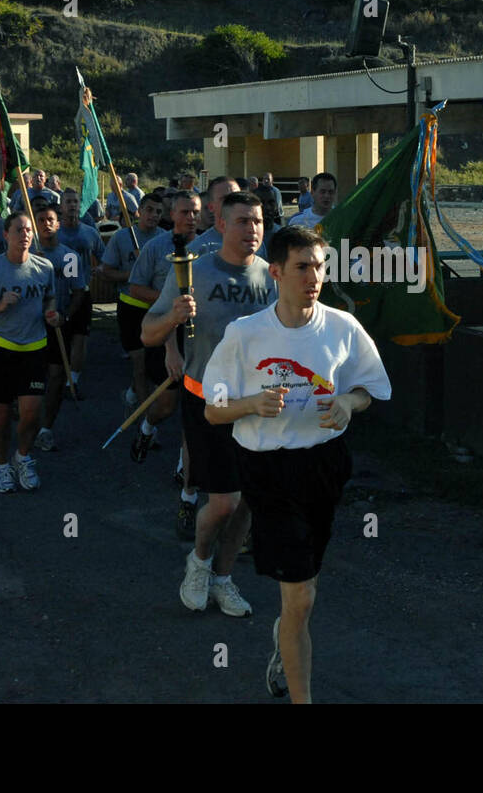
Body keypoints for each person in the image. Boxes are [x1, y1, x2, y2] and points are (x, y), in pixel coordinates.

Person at [202, 224, 391, 703]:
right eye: (303, 267)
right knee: (301, 593)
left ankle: (286, 635)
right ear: (276, 272)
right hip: (267, 469)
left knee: (304, 592)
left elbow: (371, 388)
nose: (314, 277)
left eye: (320, 267)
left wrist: (348, 402)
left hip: (325, 465)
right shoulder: (245, 334)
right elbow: (212, 410)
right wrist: (251, 404)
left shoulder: (343, 327)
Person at [142, 191, 278, 619]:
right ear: (220, 225)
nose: (252, 229)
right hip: (207, 399)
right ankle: (199, 562)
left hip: (255, 403)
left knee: (248, 501)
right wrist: (173, 318)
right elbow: (148, 331)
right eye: (242, 221)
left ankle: (223, 578)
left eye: (257, 221)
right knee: (223, 502)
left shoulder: (271, 276)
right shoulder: (193, 272)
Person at [0, 212, 59, 494]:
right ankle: (2, 466)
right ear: (6, 235)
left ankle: (23, 457)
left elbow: (50, 297)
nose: (25, 235)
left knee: (32, 413)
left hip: (34, 347)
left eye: (28, 230)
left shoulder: (44, 267)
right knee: (1, 415)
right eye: (18, 230)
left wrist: (52, 313)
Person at [126, 190, 200, 464]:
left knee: (197, 405)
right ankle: (147, 427)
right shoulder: (156, 247)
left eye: (195, 212)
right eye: (184, 212)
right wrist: (171, 301)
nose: (191, 218)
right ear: (172, 214)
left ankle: (185, 468)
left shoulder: (210, 246)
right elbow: (135, 287)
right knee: (167, 404)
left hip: (202, 334)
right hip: (167, 330)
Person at [101, 193, 164, 411]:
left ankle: (133, 392)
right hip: (131, 307)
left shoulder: (164, 239)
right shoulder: (122, 237)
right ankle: (145, 418)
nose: (153, 215)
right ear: (139, 211)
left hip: (157, 308)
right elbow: (106, 271)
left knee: (152, 366)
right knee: (139, 363)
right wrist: (135, 273)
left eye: (158, 212)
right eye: (149, 210)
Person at [30, 199, 84, 452]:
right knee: (31, 377)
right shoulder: (26, 255)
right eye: (41, 220)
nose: (46, 224)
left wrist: (66, 317)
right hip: (30, 325)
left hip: (57, 324)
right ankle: (27, 419)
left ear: (58, 223)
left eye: (50, 220)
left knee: (56, 376)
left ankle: (46, 429)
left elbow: (78, 291)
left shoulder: (69, 256)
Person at [56, 188, 104, 395]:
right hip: (57, 293)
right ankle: (55, 374)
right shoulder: (53, 233)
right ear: (61, 206)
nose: (72, 205)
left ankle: (73, 381)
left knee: (80, 337)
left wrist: (100, 269)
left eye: (75, 202)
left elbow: (104, 257)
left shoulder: (89, 232)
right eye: (68, 202)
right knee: (58, 337)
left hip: (81, 292)